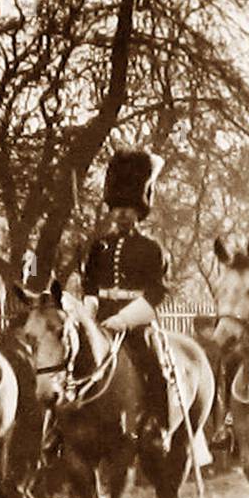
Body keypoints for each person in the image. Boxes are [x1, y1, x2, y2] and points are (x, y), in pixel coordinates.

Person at [81, 150, 172, 454]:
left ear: (139, 211)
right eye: (117, 207)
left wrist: (125, 319)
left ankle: (158, 425)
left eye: (129, 208)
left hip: (135, 320)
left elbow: (156, 293)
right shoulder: (99, 246)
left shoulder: (151, 248)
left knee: (153, 366)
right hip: (101, 318)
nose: (121, 214)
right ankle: (59, 431)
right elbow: (90, 284)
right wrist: (90, 309)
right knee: (74, 365)